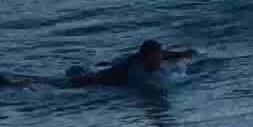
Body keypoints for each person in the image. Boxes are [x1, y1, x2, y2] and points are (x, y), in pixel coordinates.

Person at [63, 38, 194, 88]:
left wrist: (182, 54)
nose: (159, 60)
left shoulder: (149, 57)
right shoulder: (137, 72)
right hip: (101, 79)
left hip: (116, 65)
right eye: (156, 58)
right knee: (66, 84)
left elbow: (165, 54)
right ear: (147, 58)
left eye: (159, 57)